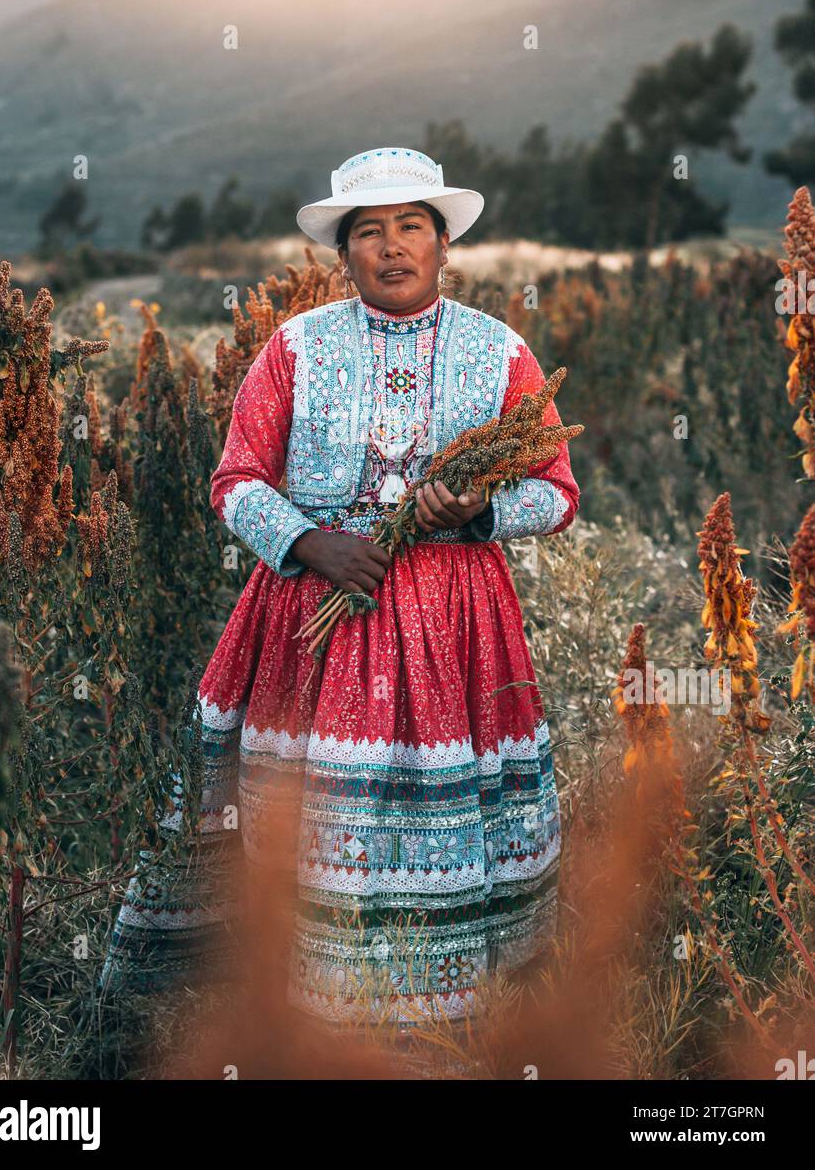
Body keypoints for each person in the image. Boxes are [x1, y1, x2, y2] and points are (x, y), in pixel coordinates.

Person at [102, 146, 579, 1027]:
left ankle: (439, 1017)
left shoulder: (500, 350)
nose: (391, 247)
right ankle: (283, 1012)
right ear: (343, 253)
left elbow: (556, 495)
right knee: (307, 821)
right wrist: (313, 544)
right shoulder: (294, 349)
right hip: (305, 621)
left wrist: (478, 510)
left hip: (456, 628)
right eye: (369, 231)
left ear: (444, 246)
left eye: (410, 228)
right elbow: (235, 481)